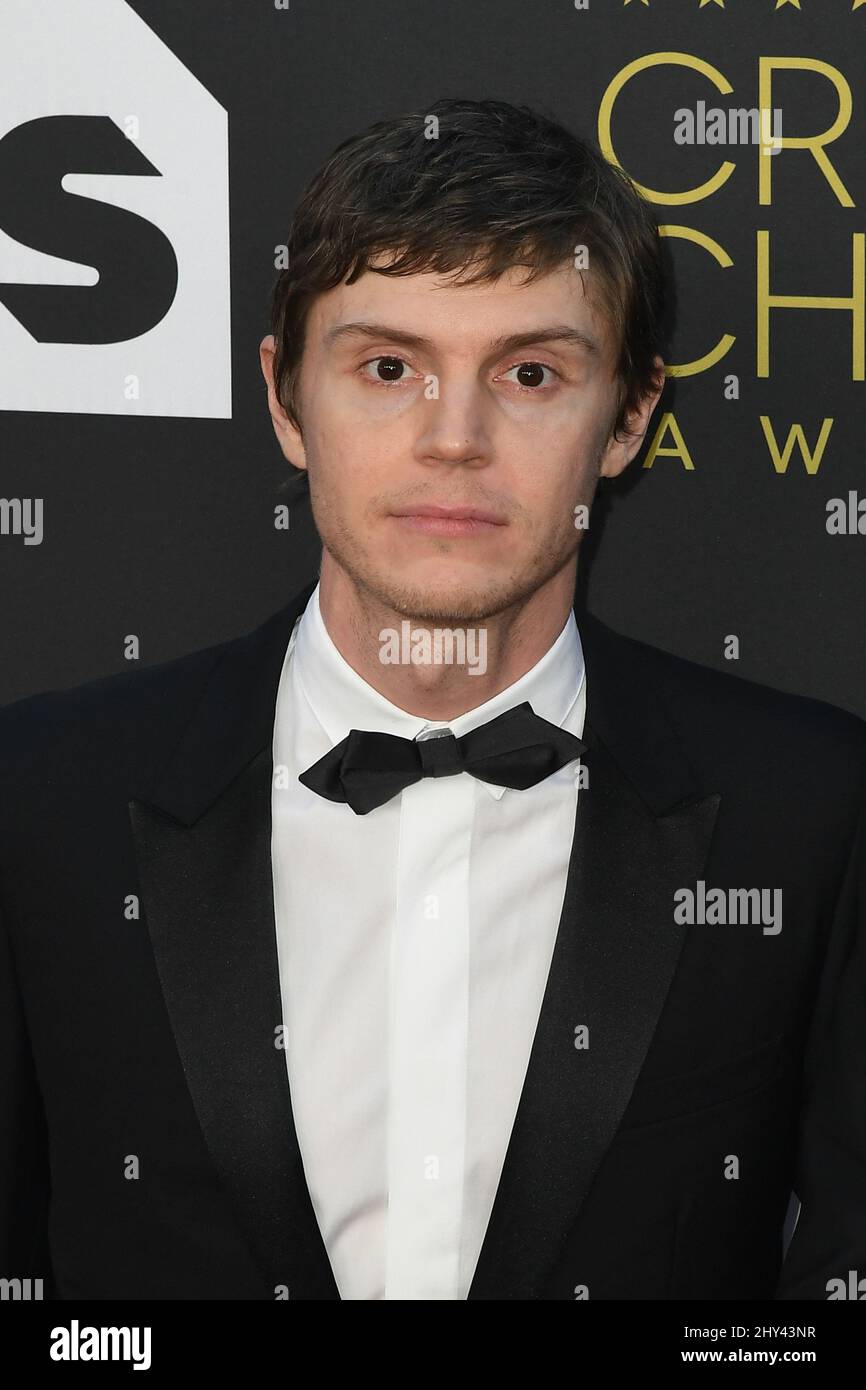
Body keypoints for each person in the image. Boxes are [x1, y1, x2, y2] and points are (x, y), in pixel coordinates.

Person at [1, 98, 864, 1302]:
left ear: (627, 417)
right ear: (285, 399)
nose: (452, 437)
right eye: (388, 366)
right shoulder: (40, 801)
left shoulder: (812, 811)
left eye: (528, 371)